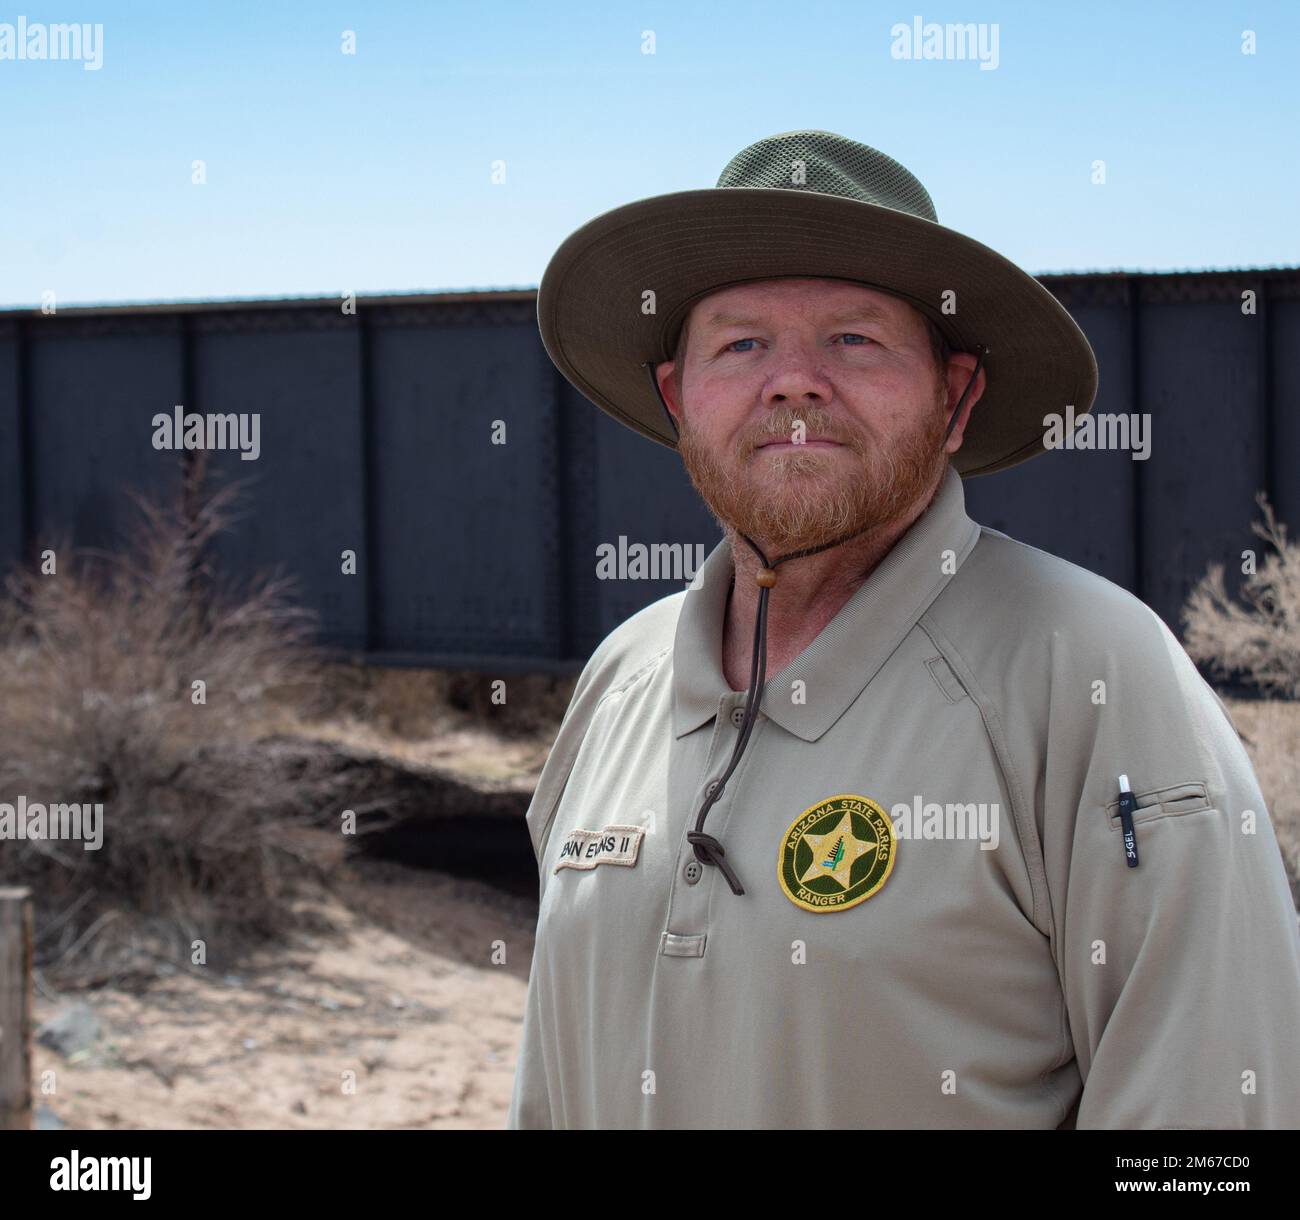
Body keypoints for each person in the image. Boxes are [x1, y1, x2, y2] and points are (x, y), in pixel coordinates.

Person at [506, 130, 1300, 1129]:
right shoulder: (622, 675)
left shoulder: (1092, 672)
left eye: (854, 338)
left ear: (955, 395)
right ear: (679, 399)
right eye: (741, 343)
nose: (793, 383)